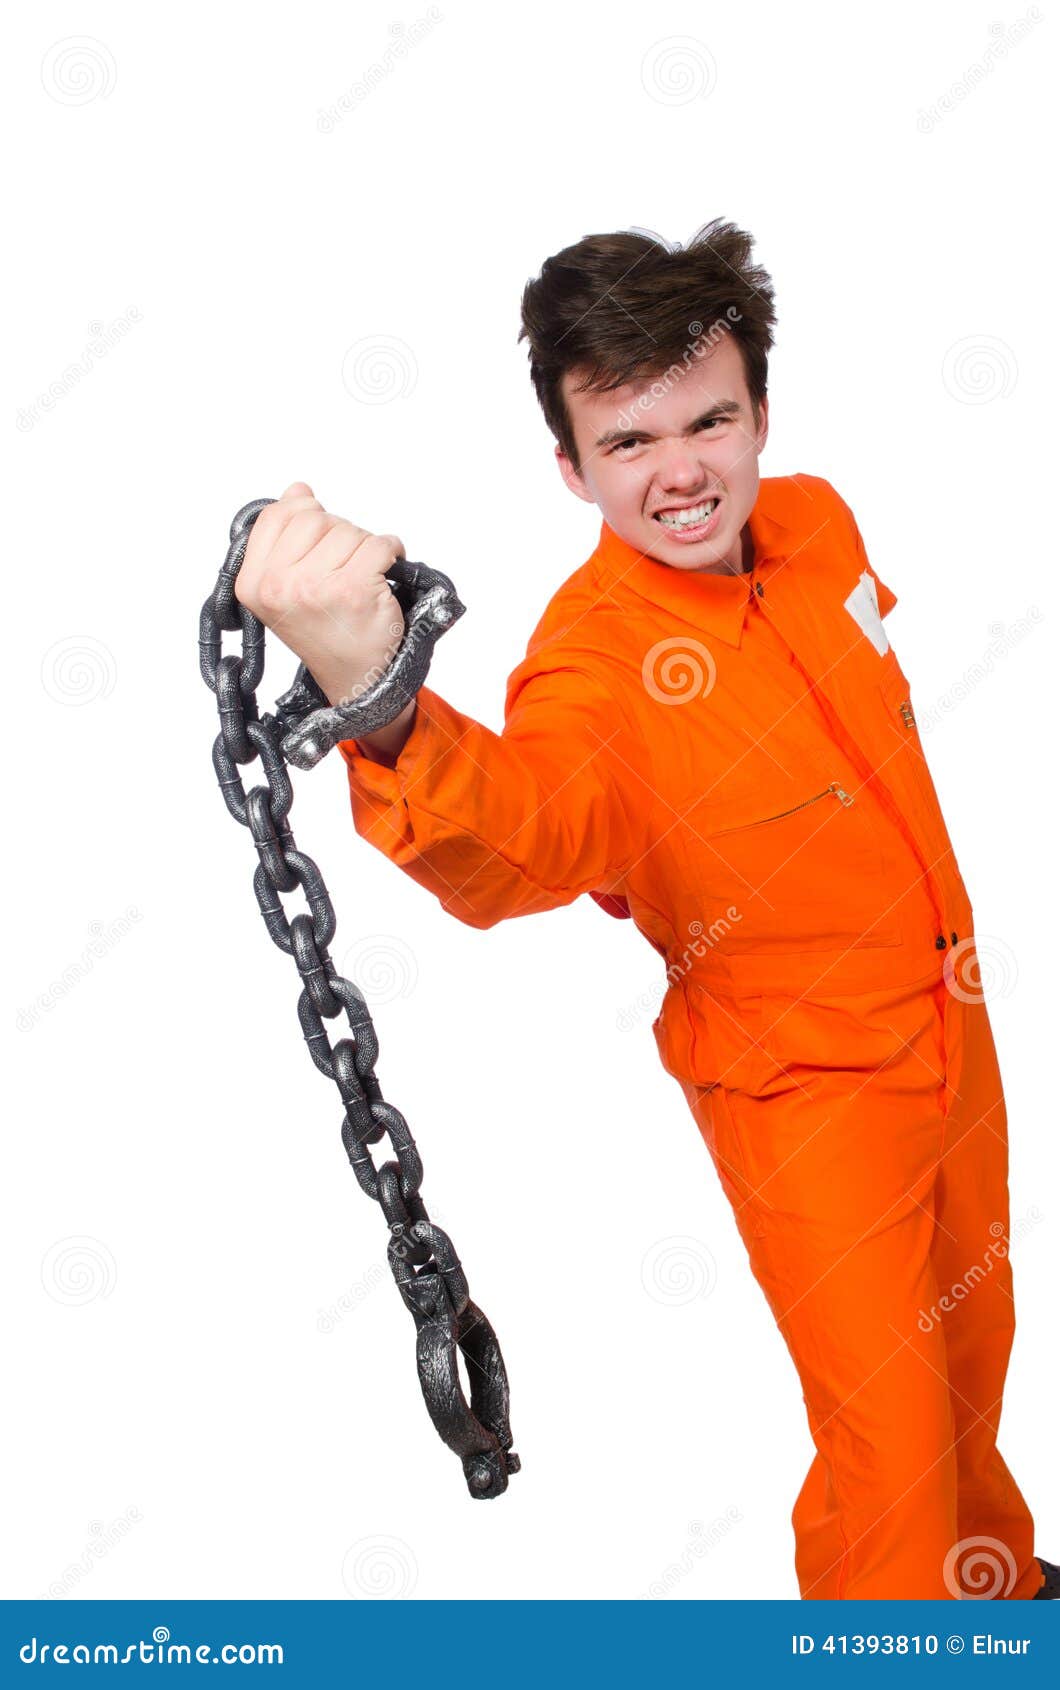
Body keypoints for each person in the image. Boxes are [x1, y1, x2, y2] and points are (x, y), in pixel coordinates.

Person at [234, 219, 1055, 1602]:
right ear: (568, 464)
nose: (682, 473)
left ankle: (987, 1589)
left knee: (972, 1355)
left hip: (948, 1024)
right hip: (803, 1084)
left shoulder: (816, 522)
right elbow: (527, 839)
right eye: (627, 443)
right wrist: (379, 701)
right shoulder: (595, 668)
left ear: (760, 414)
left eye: (709, 421)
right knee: (890, 1431)